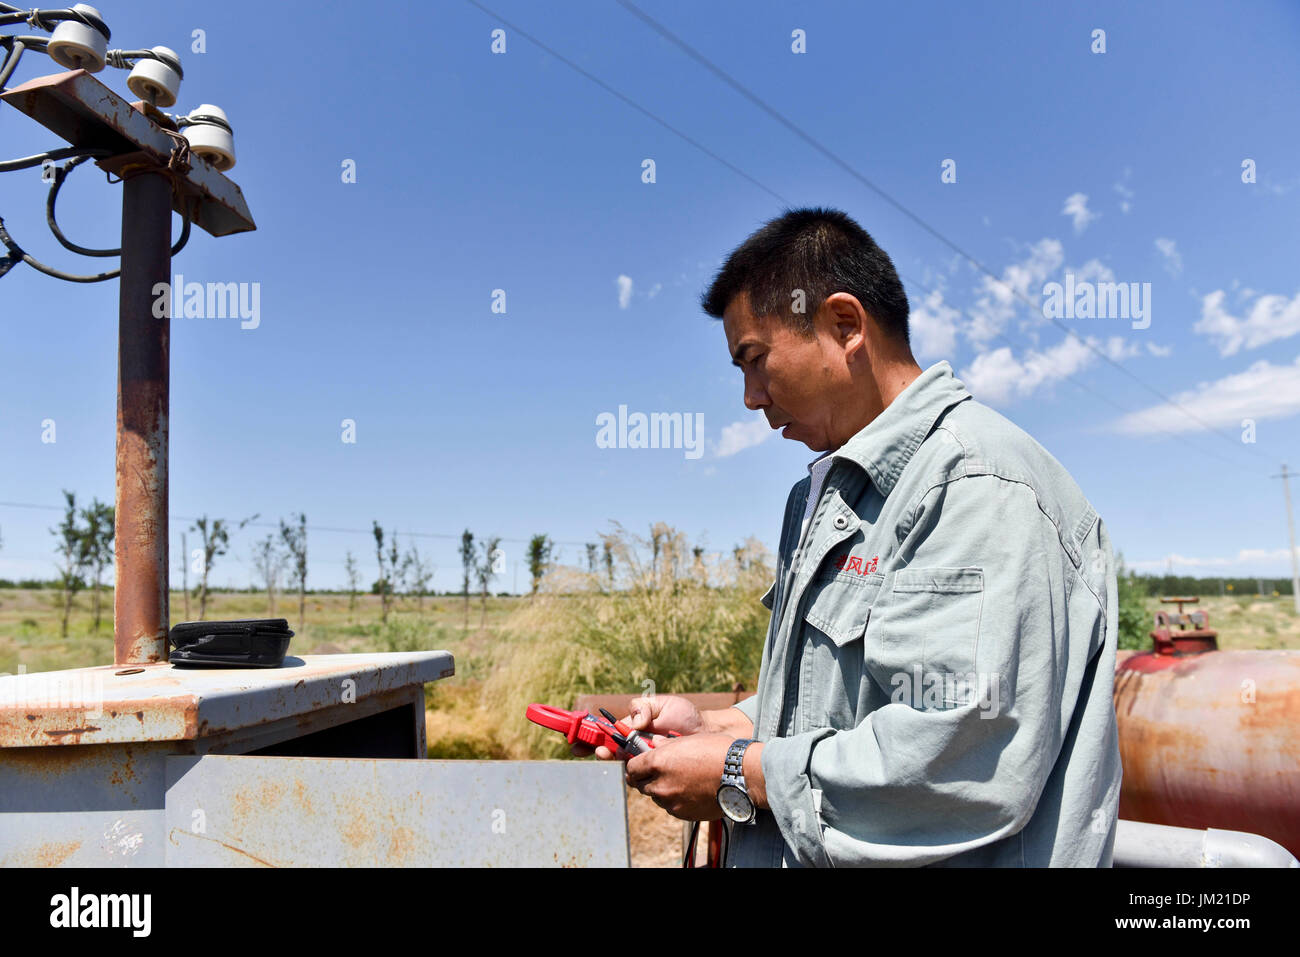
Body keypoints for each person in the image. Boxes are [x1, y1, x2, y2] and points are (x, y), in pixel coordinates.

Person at [576, 207, 1123, 867]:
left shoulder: (972, 486)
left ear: (845, 324)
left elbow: (952, 763)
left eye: (754, 360)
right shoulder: (830, 496)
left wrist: (735, 772)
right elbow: (843, 696)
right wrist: (724, 727)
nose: (750, 397)